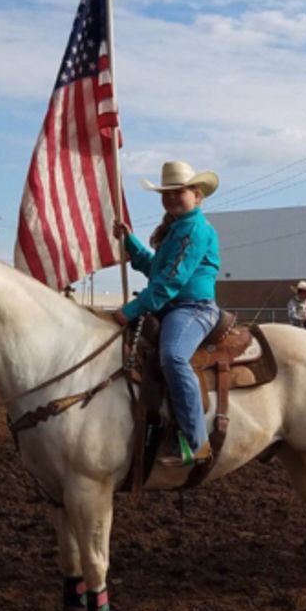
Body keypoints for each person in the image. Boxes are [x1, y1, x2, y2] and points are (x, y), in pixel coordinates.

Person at [112, 160, 221, 468]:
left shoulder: (195, 230)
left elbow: (170, 281)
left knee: (172, 355)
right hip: (171, 307)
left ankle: (196, 441)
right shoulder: (176, 229)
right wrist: (130, 241)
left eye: (179, 192)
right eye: (166, 193)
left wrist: (130, 311)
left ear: (197, 195)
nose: (172, 198)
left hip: (192, 308)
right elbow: (156, 269)